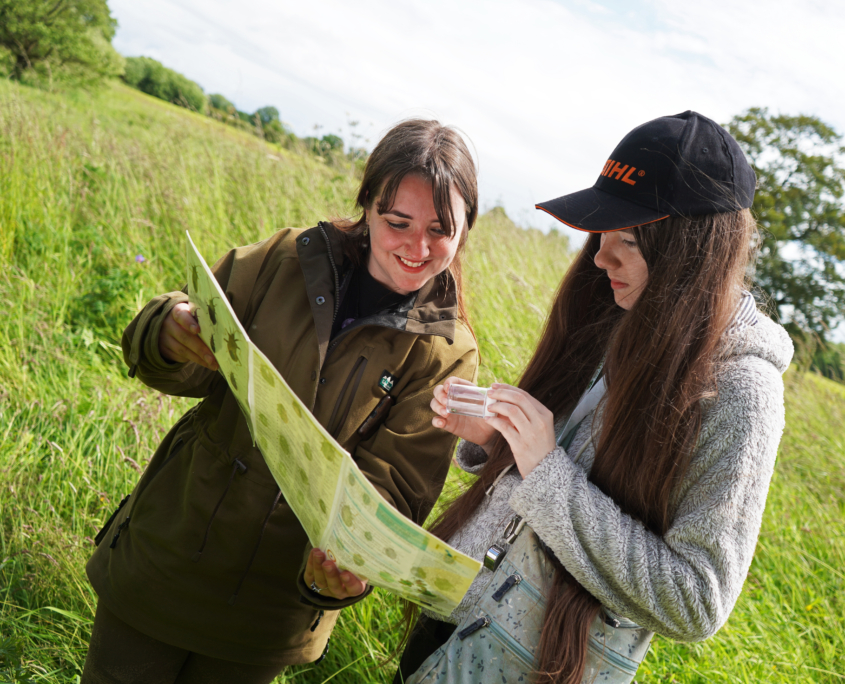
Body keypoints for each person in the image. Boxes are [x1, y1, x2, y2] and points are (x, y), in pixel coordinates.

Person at [394, 111, 794, 684]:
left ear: (692, 254)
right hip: (453, 622)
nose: (601, 258)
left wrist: (545, 467)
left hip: (536, 664)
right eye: (601, 233)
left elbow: (696, 599)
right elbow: (563, 469)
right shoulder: (618, 308)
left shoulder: (743, 392)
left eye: (627, 240)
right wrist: (499, 437)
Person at [81, 119, 480, 684]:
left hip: (267, 618)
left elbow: (397, 489)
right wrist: (167, 331)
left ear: (466, 231)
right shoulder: (286, 257)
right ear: (367, 206)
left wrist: (343, 571)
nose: (417, 248)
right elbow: (170, 341)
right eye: (398, 222)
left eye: (441, 229)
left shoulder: (447, 354)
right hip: (162, 561)